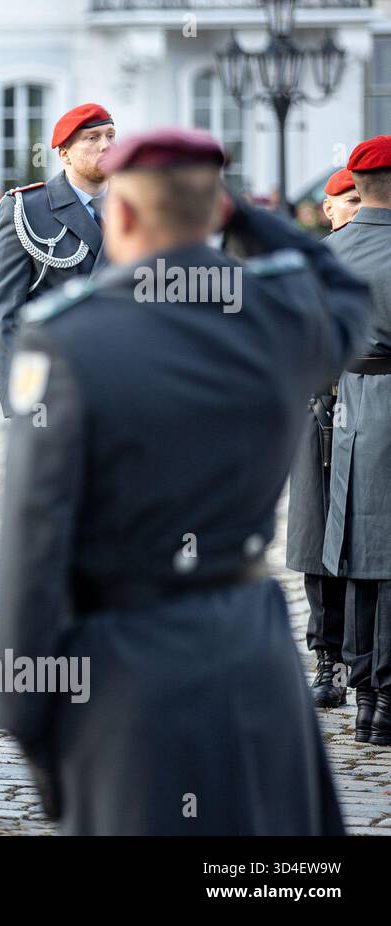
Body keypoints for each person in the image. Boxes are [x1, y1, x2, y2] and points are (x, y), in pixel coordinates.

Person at [0, 127, 363, 835]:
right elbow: (341, 284)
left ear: (120, 215)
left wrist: (25, 719)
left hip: (126, 662)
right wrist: (241, 215)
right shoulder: (276, 315)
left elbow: (33, 546)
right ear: (217, 212)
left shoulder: (67, 338)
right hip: (252, 644)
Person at [0, 103, 114, 416]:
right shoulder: (27, 209)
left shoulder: (135, 208)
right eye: (92, 138)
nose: (106, 145)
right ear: (64, 153)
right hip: (57, 386)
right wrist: (26, 401)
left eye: (110, 136)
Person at [286, 166, 362, 714]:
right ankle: (329, 660)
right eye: (348, 200)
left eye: (365, 198)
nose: (357, 209)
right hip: (320, 417)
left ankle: (369, 663)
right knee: (320, 550)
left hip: (370, 414)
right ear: (327, 209)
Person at [323, 137, 391, 746]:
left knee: (355, 552)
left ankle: (365, 692)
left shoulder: (328, 253)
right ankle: (387, 699)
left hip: (347, 403)